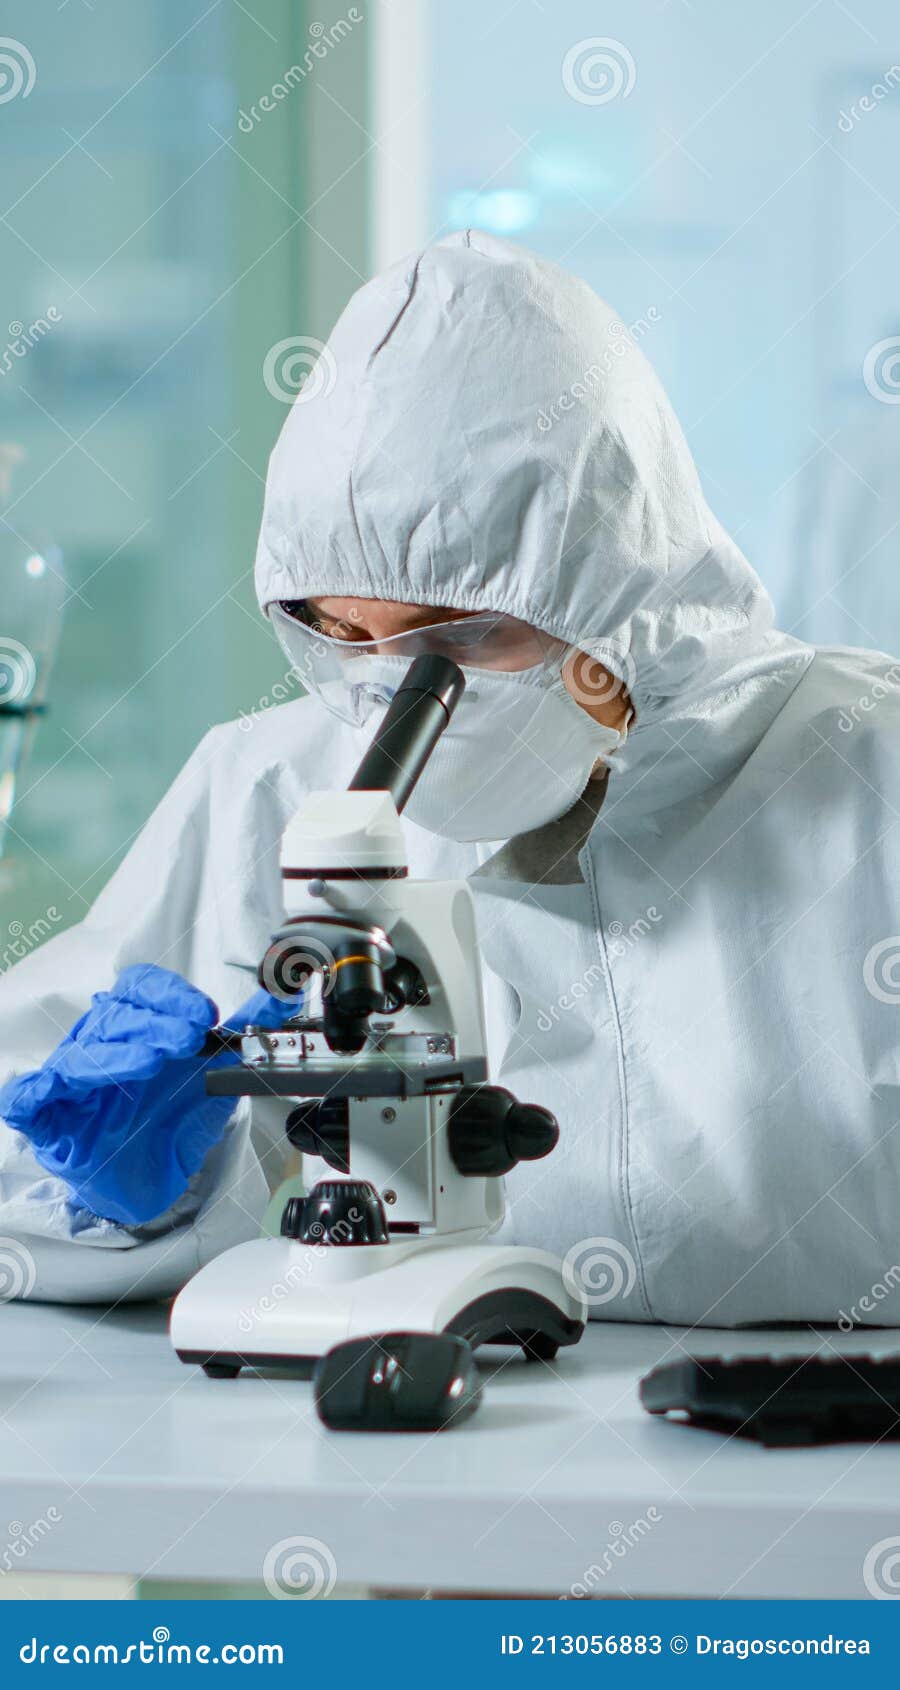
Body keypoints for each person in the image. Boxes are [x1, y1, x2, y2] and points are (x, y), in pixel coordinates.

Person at [1, 229, 899, 1326]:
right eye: (341, 632)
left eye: (451, 642)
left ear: (611, 597)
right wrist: (126, 1186)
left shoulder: (865, 770)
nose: (389, 700)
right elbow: (31, 1151)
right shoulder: (271, 789)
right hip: (394, 1462)